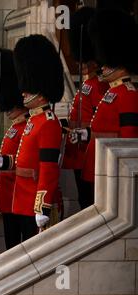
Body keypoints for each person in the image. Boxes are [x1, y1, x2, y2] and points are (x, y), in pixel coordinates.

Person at [0, 34, 64, 233]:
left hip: (33, 203)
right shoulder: (35, 120)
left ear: (40, 90)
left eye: (28, 89)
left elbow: (48, 168)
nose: (23, 92)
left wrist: (43, 205)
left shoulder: (48, 123)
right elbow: (24, 160)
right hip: (21, 200)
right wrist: (3, 162)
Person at [71, 9, 138, 195]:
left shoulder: (128, 94)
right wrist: (87, 133)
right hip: (95, 165)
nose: (103, 65)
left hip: (111, 169)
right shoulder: (114, 90)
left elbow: (128, 140)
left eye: (109, 61)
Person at [0, 48, 30, 249]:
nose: (8, 108)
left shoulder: (29, 125)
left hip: (22, 197)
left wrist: (4, 162)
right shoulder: (16, 126)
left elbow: (26, 162)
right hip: (9, 197)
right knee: (11, 246)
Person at [61, 7, 109, 210]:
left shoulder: (100, 86)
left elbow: (102, 122)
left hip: (90, 154)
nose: (81, 64)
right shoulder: (88, 86)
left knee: (90, 203)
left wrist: (85, 134)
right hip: (79, 154)